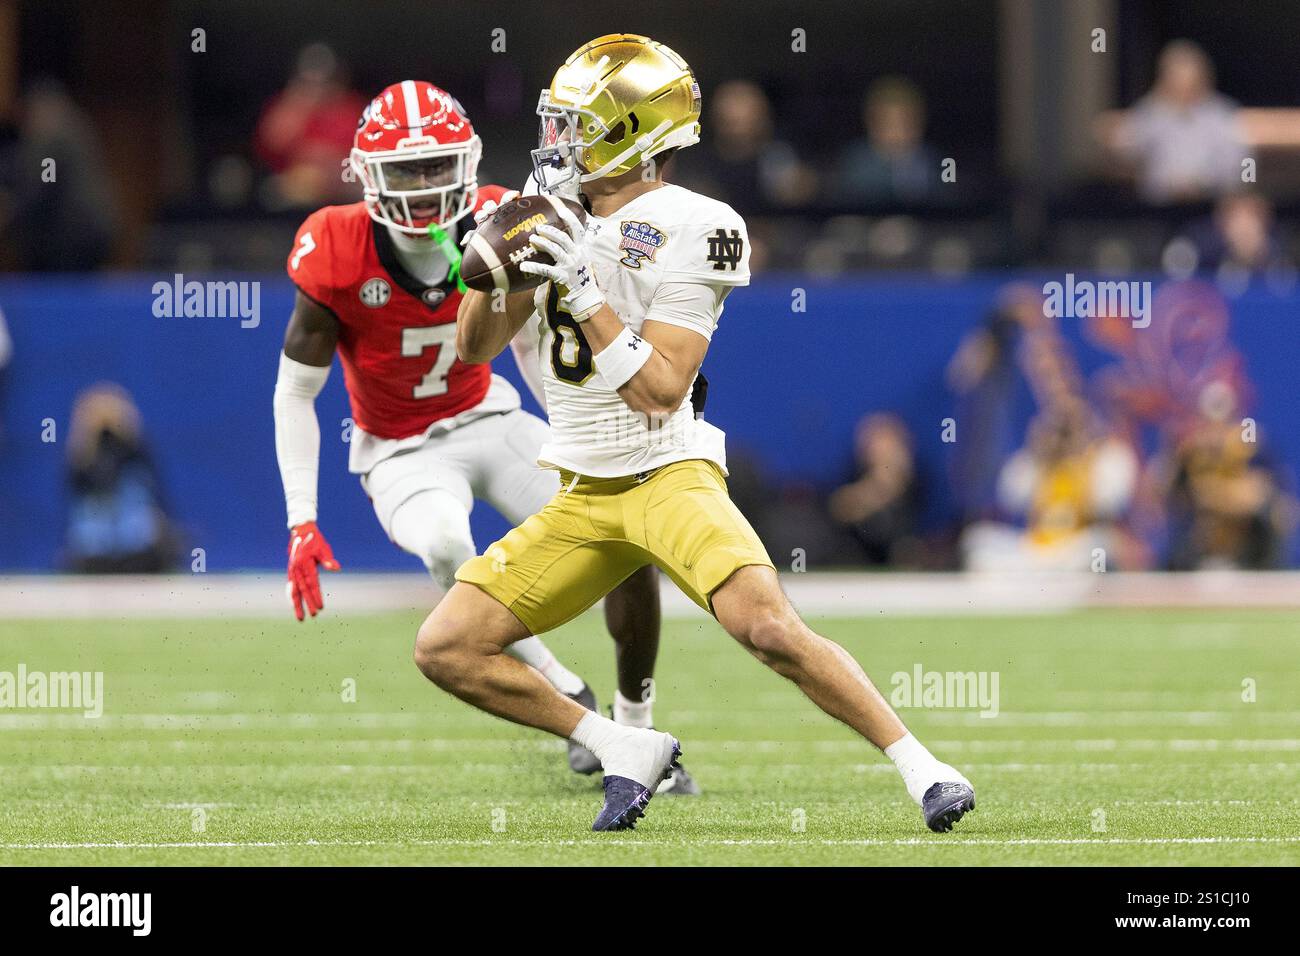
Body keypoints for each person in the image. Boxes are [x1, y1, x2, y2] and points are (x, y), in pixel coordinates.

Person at [416, 34, 974, 833]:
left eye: (578, 125)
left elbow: (659, 389)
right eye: (558, 123)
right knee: (445, 647)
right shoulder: (551, 211)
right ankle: (621, 744)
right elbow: (472, 349)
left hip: (664, 475)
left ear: (633, 132)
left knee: (769, 629)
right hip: (580, 492)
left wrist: (579, 282)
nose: (559, 142)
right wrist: (507, 255)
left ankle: (924, 769)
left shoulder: (698, 224)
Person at [274, 80, 695, 792]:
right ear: (370, 176)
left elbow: (531, 338)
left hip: (491, 419)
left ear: (466, 161)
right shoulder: (335, 245)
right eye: (406, 170)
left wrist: (571, 431)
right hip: (401, 450)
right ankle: (573, 699)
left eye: (438, 165)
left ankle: (640, 718)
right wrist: (300, 520)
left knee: (624, 543)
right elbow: (297, 391)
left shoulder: (505, 216)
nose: (424, 184)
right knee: (443, 543)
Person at [1101, 40, 1246, 204]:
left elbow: (1239, 162)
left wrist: (1204, 182)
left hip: (1208, 206)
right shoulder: (1150, 111)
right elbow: (1124, 151)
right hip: (1157, 206)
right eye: (1176, 82)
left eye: (1190, 84)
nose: (1184, 91)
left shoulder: (1221, 114)